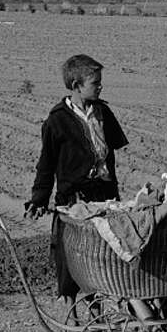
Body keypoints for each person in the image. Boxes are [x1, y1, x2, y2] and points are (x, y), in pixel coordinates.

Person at [25, 54, 133, 309]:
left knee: (104, 254)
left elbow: (111, 148)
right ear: (76, 85)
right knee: (71, 257)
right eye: (95, 82)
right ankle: (70, 310)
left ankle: (98, 309)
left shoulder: (103, 112)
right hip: (74, 200)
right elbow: (46, 164)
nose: (100, 86)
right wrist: (39, 199)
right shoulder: (57, 121)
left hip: (105, 195)